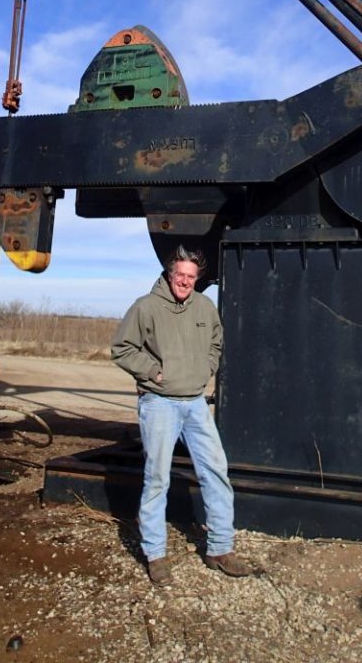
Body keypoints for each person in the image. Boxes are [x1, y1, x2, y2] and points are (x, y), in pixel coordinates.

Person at [111, 245, 252, 585]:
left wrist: (207, 367)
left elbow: (216, 343)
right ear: (169, 274)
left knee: (216, 471)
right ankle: (156, 555)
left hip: (195, 404)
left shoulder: (204, 307)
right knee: (158, 479)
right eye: (180, 275)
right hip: (159, 403)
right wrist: (154, 373)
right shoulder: (145, 307)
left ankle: (220, 548)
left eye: (191, 277)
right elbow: (121, 349)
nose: (185, 282)